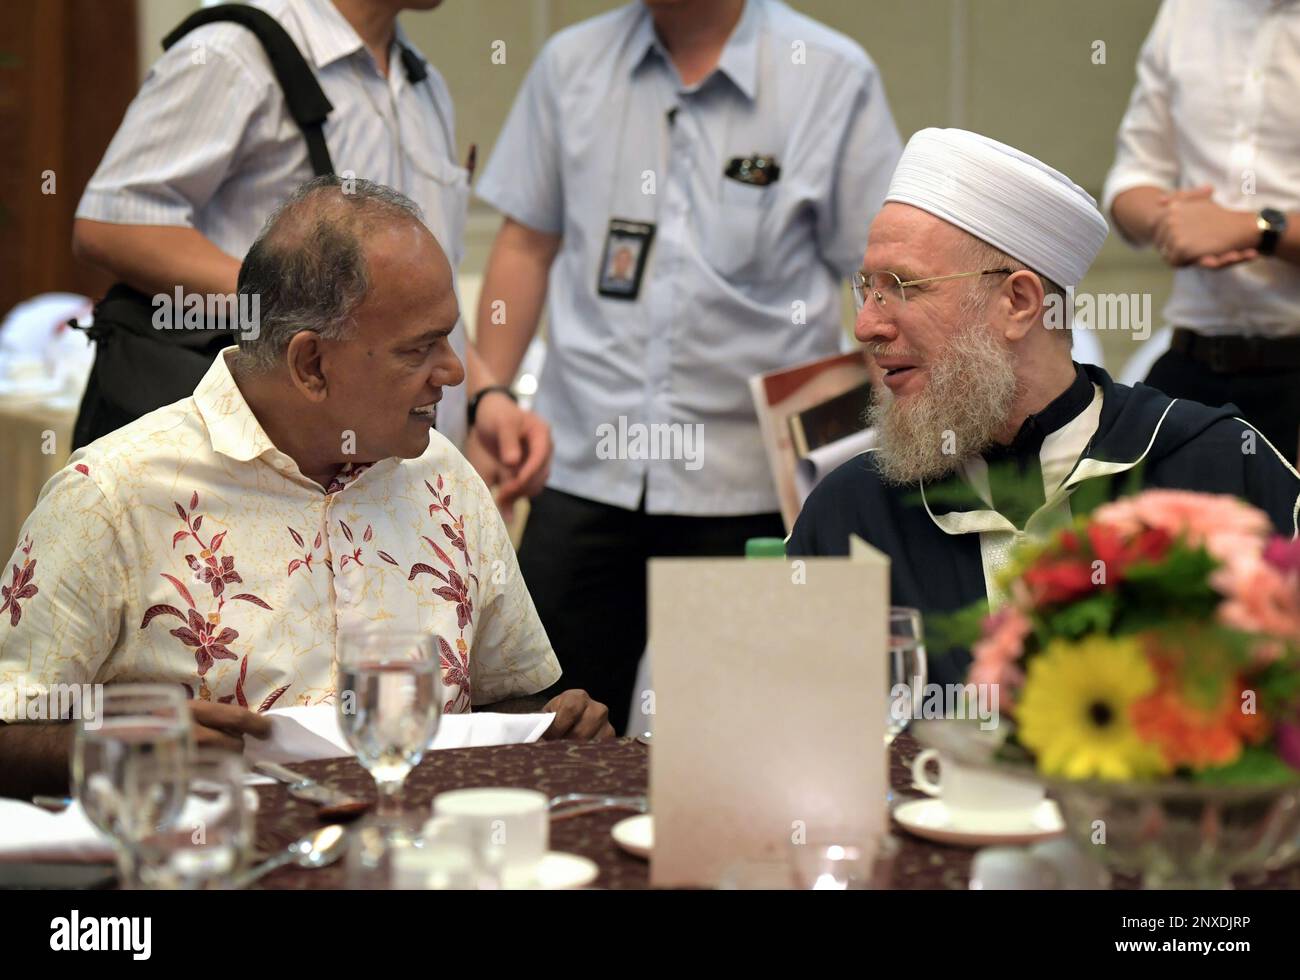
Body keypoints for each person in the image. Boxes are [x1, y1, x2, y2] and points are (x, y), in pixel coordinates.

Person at [0, 178, 612, 800]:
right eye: (420, 349)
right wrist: (121, 744)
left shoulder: (443, 477)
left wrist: (553, 720)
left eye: (448, 338)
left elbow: (504, 693)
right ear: (311, 365)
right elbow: (9, 732)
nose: (453, 372)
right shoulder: (113, 494)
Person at [473, 0, 902, 731]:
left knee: (742, 746)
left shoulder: (829, 74)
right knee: (548, 732)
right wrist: (489, 393)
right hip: (584, 469)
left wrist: (898, 447)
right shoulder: (571, 65)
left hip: (751, 490)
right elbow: (526, 245)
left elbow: (881, 272)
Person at [787, 128, 1300, 685]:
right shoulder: (850, 514)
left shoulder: (1220, 468)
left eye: (904, 287)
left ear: (1018, 303)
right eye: (866, 289)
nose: (866, 326)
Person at [71, 0, 549, 509]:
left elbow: (415, 299)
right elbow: (113, 222)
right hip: (268, 481)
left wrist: (485, 397)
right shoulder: (232, 52)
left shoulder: (423, 83)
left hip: (398, 489)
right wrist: (298, 301)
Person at [1103, 0, 1300, 462]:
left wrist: (1258, 230)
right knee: (1119, 518)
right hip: (1194, 357)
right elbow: (1131, 179)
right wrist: (1170, 221)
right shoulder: (1187, 10)